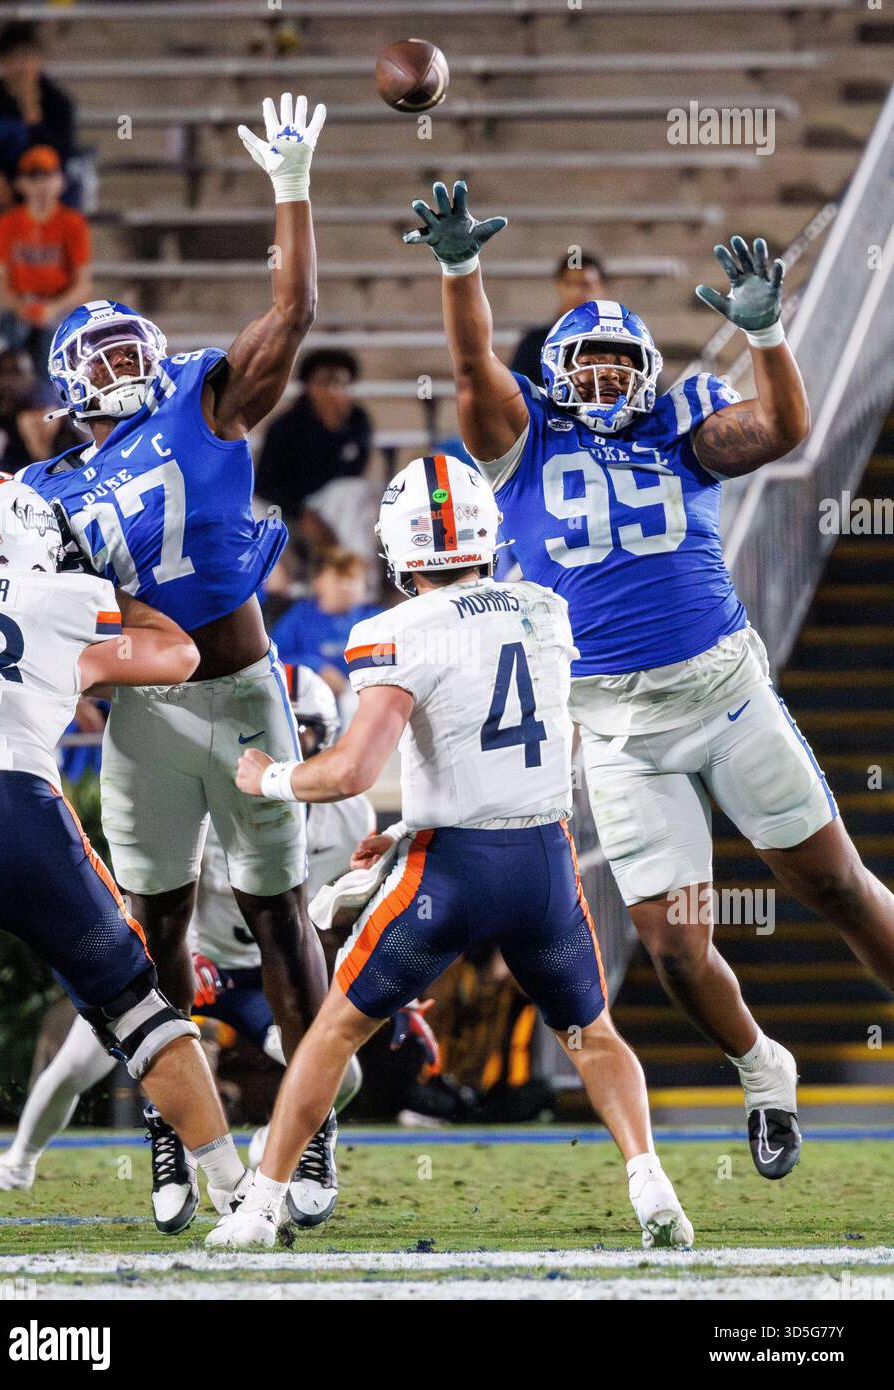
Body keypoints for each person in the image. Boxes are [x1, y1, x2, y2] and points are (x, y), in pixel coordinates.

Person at [401, 180, 894, 1179]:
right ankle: (763, 1069)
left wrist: (765, 336)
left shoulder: (684, 425)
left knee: (836, 885)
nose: (604, 376)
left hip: (725, 698)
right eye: (587, 360)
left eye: (621, 359)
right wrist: (459, 268)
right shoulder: (520, 441)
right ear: (557, 370)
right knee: (671, 951)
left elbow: (783, 431)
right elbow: (466, 363)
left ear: (646, 369)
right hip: (617, 729)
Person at [206, 454, 693, 1251]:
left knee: (330, 1031)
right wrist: (408, 825)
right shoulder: (543, 607)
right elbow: (530, 746)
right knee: (591, 1032)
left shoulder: (394, 630)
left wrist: (270, 777)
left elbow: (350, 772)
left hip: (453, 871)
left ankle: (260, 1206)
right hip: (540, 859)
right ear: (485, 534)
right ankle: (653, 1189)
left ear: (399, 548)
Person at [19, 93, 335, 1226]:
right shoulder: (43, 491)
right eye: (91, 356)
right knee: (148, 935)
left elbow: (293, 310)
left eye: (125, 348)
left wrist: (290, 190)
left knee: (279, 914)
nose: (114, 367)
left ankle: (309, 1133)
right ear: (61, 388)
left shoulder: (204, 400)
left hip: (244, 692)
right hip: (144, 723)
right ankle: (172, 1129)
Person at [0, 665, 373, 1230]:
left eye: (306, 730)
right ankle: (23, 1159)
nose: (296, 740)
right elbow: (170, 903)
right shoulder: (194, 780)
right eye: (292, 726)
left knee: (340, 1067)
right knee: (84, 1057)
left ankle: (287, 1147)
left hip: (255, 976)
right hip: (193, 959)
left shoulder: (351, 816)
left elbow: (324, 922)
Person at [0, 471, 252, 1232]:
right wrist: (109, 591)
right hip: (24, 813)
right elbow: (180, 656)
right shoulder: (67, 601)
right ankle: (236, 1191)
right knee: (138, 1011)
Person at [0, 22, 77, 279]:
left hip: (39, 184)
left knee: (69, 193)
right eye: (13, 58)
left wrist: (33, 117)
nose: (21, 67)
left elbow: (62, 155)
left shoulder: (57, 102)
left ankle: (59, 275)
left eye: (28, 57)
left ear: (40, 61)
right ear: (1, 62)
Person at [0, 145, 92, 378]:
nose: (41, 185)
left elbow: (83, 284)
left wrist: (52, 308)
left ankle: (51, 400)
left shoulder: (72, 223)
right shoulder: (7, 223)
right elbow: (3, 285)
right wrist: (23, 308)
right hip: (23, 306)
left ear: (61, 181)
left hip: (61, 306)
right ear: (21, 184)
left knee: (52, 341)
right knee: (13, 337)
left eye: (48, 176)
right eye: (34, 177)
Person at [253, 347, 372, 519]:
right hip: (285, 507)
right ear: (309, 386)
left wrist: (335, 429)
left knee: (354, 492)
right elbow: (266, 484)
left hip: (330, 505)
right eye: (325, 382)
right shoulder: (285, 425)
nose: (333, 389)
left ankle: (348, 547)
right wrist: (300, 514)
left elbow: (352, 474)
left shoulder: (357, 421)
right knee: (252, 509)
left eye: (340, 383)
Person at [271, 547, 381, 697]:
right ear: (319, 582)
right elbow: (274, 661)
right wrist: (316, 668)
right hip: (313, 701)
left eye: (353, 578)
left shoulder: (377, 619)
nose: (346, 586)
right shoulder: (299, 619)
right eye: (338, 578)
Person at [509, 253, 607, 387]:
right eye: (571, 284)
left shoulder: (616, 341)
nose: (578, 291)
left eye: (586, 285)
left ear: (601, 288)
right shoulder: (534, 341)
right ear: (559, 286)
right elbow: (519, 391)